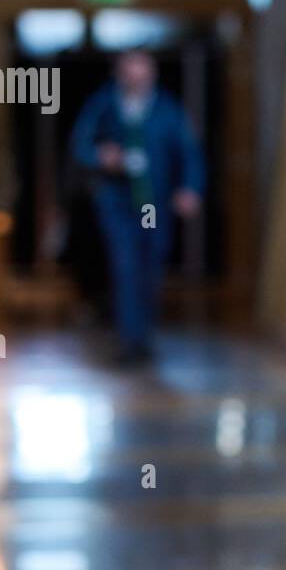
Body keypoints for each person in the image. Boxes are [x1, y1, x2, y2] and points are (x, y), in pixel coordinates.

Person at [70, 49, 205, 364]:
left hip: (153, 204)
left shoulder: (166, 109)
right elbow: (80, 146)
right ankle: (129, 340)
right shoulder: (104, 105)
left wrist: (190, 189)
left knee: (150, 269)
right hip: (118, 202)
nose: (137, 80)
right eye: (131, 73)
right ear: (120, 74)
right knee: (125, 267)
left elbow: (189, 152)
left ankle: (143, 336)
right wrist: (102, 157)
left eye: (142, 73)